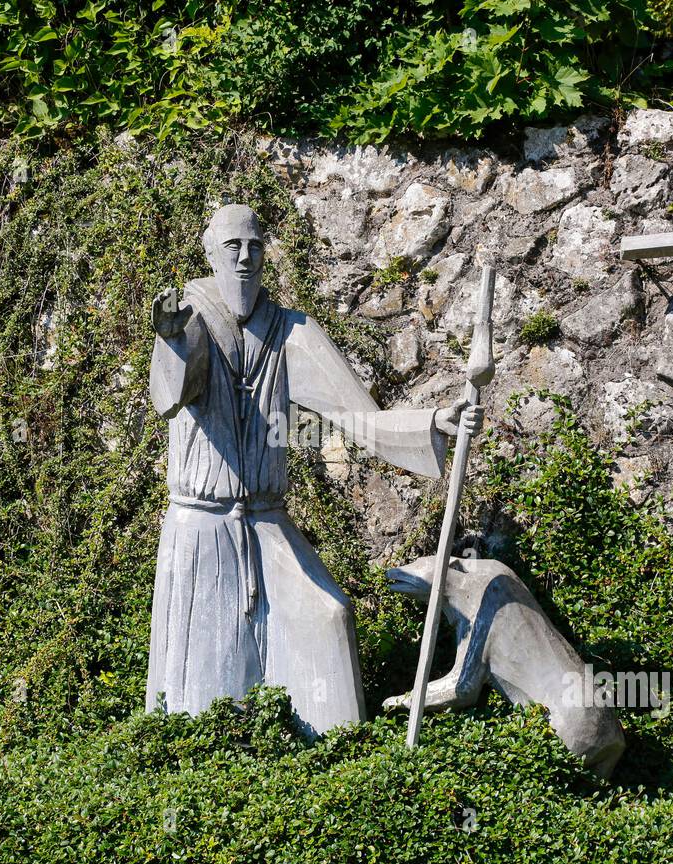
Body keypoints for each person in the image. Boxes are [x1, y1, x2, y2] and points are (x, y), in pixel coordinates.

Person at [147, 204, 483, 734]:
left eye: (255, 247)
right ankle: (202, 765)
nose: (244, 258)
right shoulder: (190, 320)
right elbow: (173, 393)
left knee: (327, 617)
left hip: (265, 519)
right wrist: (168, 339)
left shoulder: (291, 331)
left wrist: (437, 420)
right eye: (232, 247)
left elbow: (360, 419)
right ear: (210, 254)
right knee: (208, 671)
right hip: (202, 525)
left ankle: (332, 760)